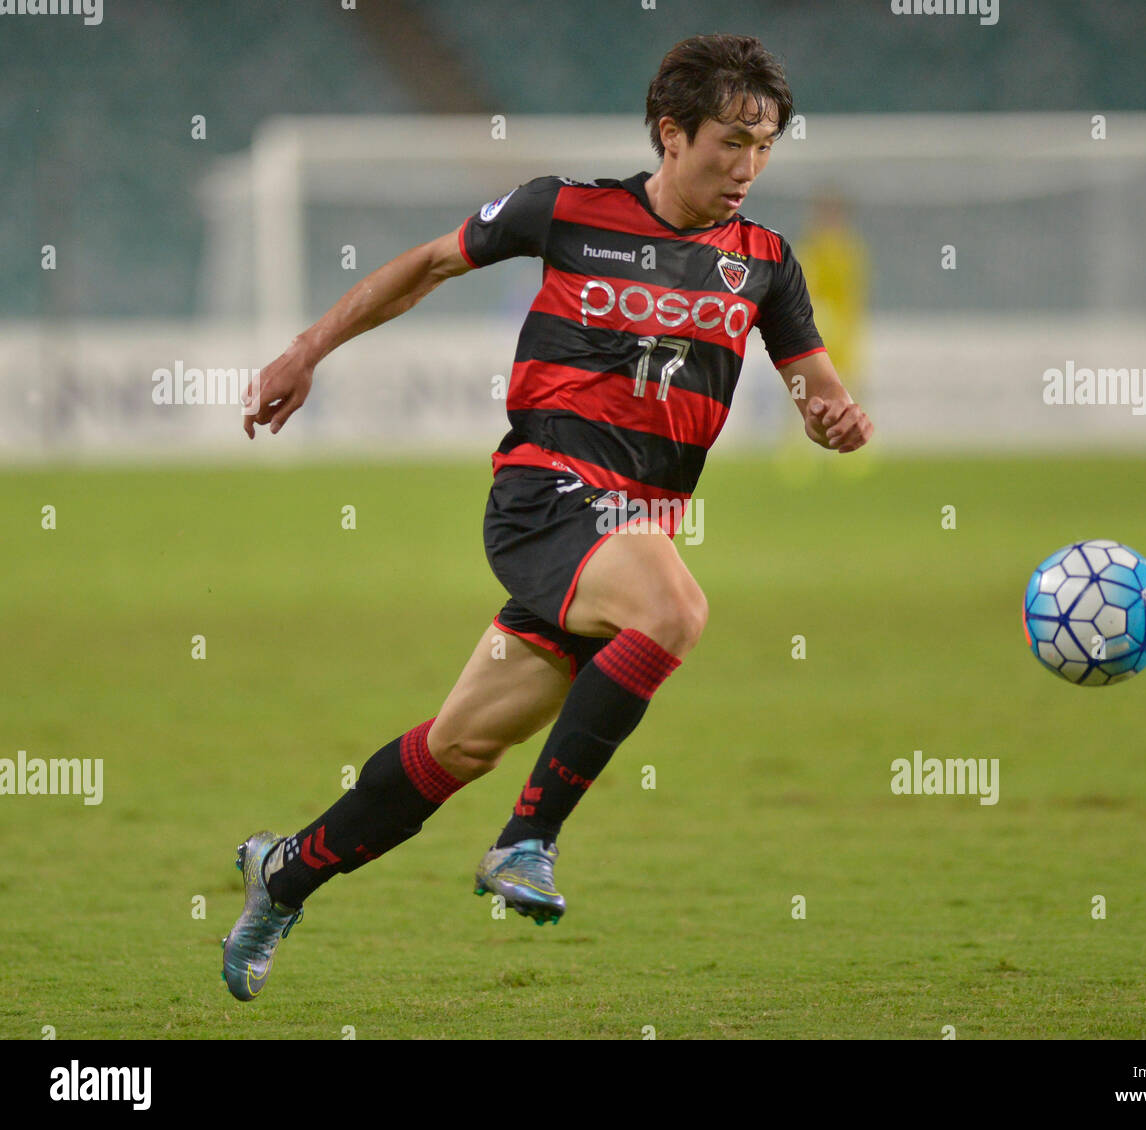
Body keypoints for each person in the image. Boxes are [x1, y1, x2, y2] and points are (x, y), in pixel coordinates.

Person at [222, 33, 873, 1002]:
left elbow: (815, 383)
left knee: (458, 747)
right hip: (545, 498)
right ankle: (527, 840)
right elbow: (428, 266)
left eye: (765, 145)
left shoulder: (764, 263)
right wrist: (307, 349)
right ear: (670, 132)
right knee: (675, 610)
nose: (747, 166)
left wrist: (834, 414)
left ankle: (285, 873)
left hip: (630, 528)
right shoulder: (567, 210)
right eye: (729, 141)